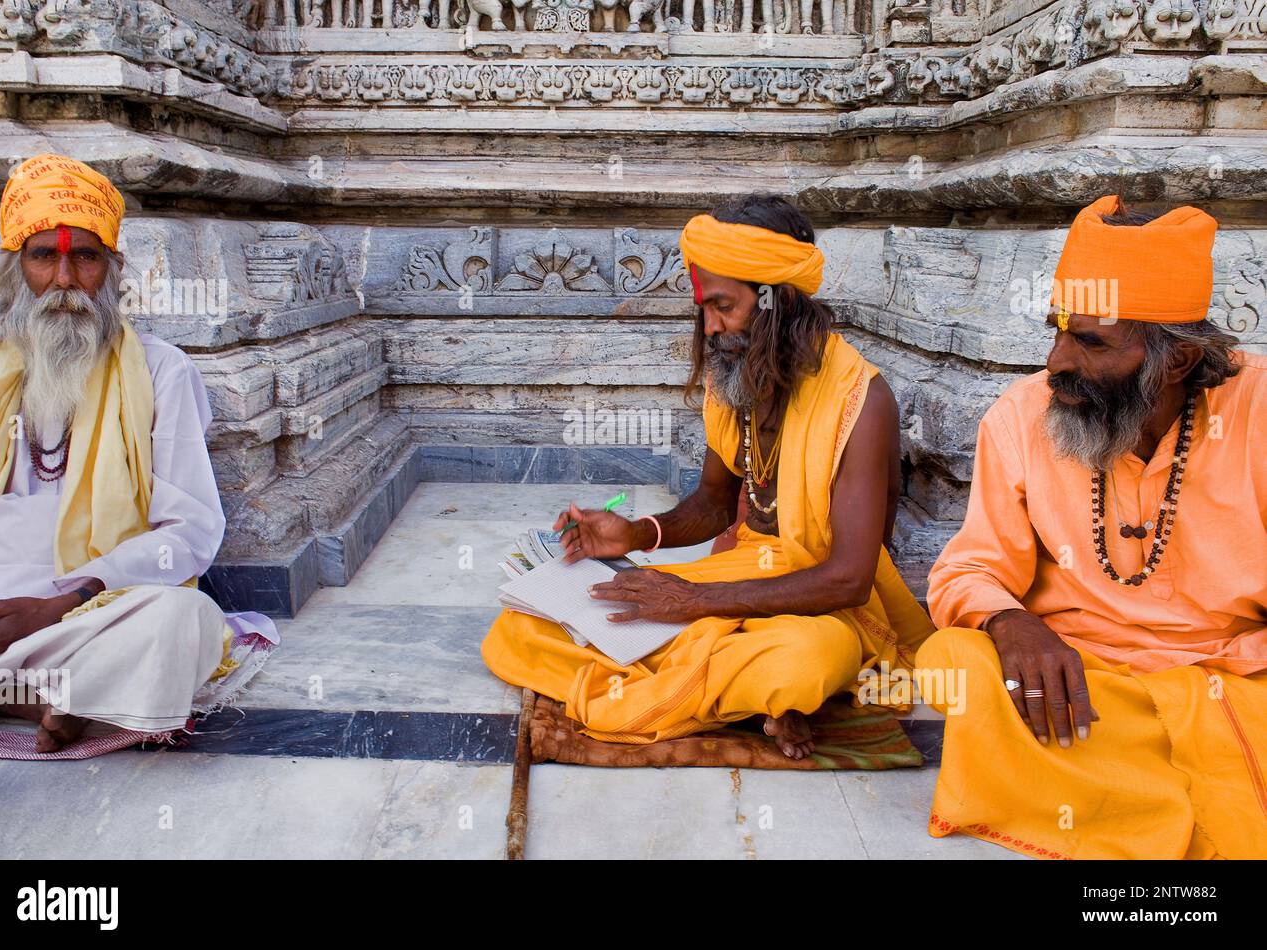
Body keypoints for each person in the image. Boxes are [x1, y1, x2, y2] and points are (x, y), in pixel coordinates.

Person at [483, 194, 933, 758]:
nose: (710, 327)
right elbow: (714, 505)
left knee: (810, 660)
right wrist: (635, 533)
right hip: (740, 581)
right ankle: (751, 697)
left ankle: (752, 689)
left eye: (723, 306)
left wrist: (696, 600)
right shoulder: (737, 383)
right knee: (518, 629)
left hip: (826, 606)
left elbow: (847, 580)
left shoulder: (861, 401)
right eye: (703, 308)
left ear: (777, 303)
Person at [922, 195, 1267, 858]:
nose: (1056, 362)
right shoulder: (1022, 416)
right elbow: (969, 568)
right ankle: (1168, 796)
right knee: (955, 663)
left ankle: (1129, 802)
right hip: (1081, 684)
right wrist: (1009, 621)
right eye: (1057, 330)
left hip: (1230, 681)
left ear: (1178, 361)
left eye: (1092, 341)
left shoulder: (1254, 412)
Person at [0, 153, 276, 753]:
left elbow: (190, 533)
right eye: (43, 256)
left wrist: (66, 601)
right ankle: (43, 698)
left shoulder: (162, 372)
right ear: (14, 272)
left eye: (84, 256)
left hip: (92, 613)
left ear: (111, 270)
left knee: (182, 622)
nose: (63, 280)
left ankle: (11, 690)